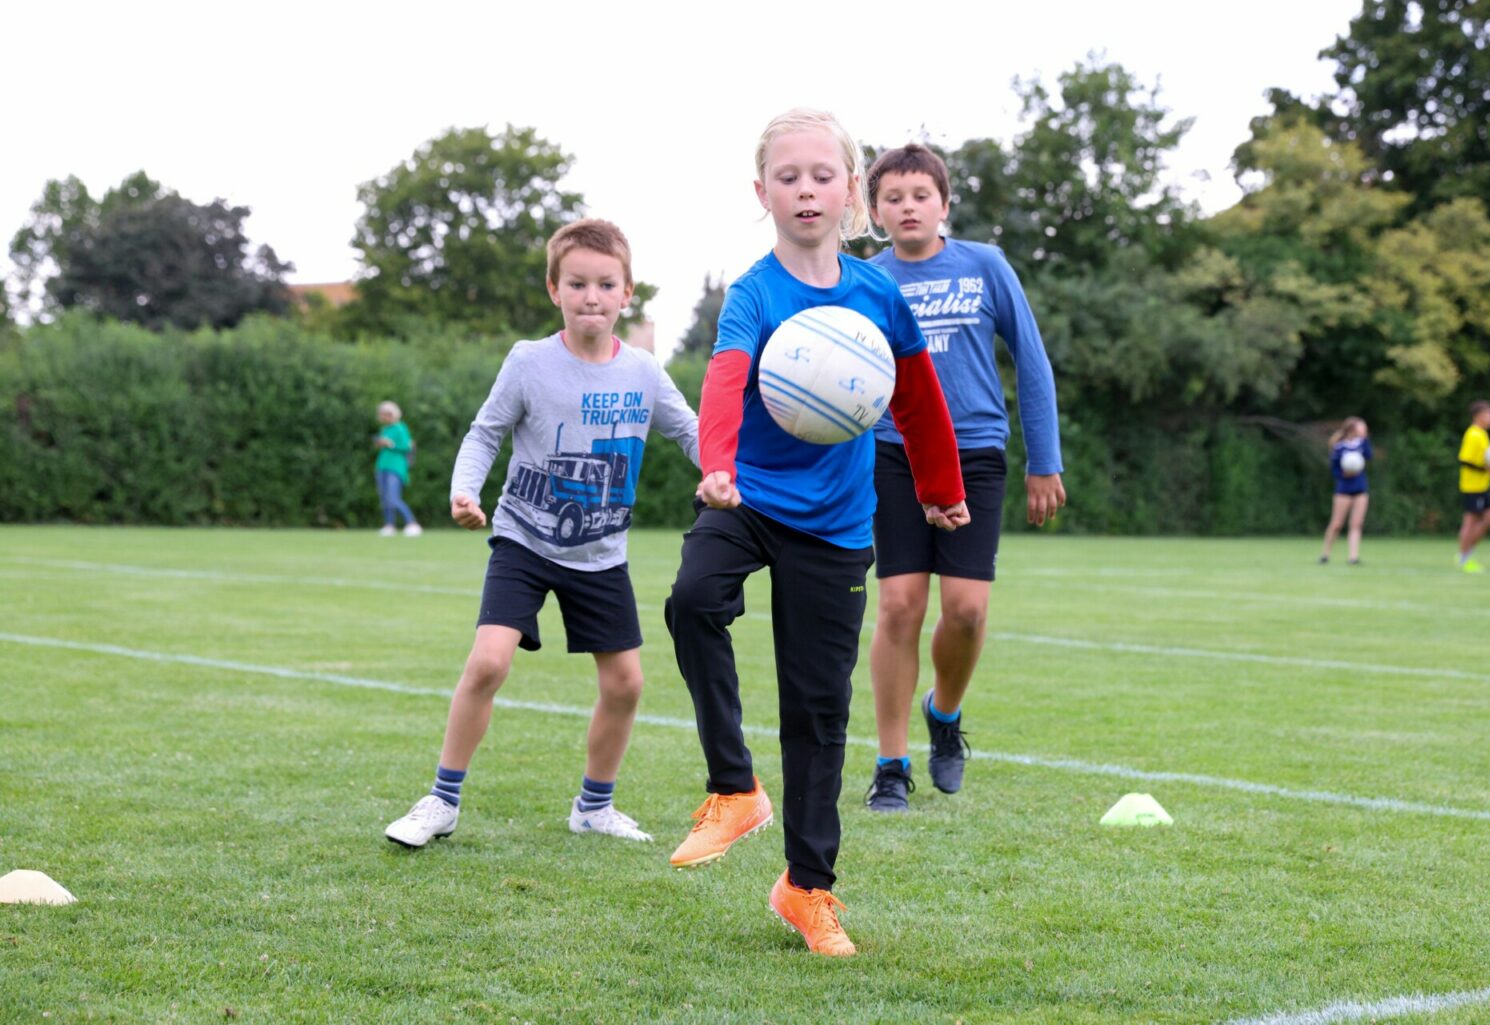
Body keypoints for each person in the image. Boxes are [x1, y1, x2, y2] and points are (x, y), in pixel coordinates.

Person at [663, 110, 967, 956]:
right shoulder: (755, 291)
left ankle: (808, 889)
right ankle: (734, 788)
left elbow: (918, 399)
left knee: (818, 710)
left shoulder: (878, 294)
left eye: (822, 175)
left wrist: (941, 489)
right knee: (693, 600)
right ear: (761, 193)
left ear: (851, 194)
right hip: (746, 499)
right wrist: (717, 461)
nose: (805, 189)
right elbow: (725, 379)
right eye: (788, 177)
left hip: (835, 525)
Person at [384, 219, 699, 849]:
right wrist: (464, 490)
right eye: (577, 282)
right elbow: (484, 432)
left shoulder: (642, 370)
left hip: (601, 556)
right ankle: (441, 801)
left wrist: (724, 473)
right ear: (554, 288)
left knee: (627, 684)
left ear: (626, 292)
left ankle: (594, 806)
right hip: (524, 543)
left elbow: (691, 430)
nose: (591, 295)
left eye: (605, 284)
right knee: (489, 663)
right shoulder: (529, 361)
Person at [860, 143, 1065, 814]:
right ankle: (892, 764)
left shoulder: (985, 264)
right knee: (898, 606)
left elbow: (1030, 361)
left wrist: (1045, 460)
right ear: (874, 211)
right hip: (894, 453)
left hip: (974, 451)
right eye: (893, 197)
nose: (908, 206)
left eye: (921, 194)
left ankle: (943, 712)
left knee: (967, 610)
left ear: (944, 205)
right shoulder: (866, 279)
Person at [1319, 417, 1372, 566]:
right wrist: (1344, 474)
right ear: (1352, 429)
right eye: (1362, 427)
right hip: (1344, 489)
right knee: (1336, 524)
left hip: (1360, 488)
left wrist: (1365, 440)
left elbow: (1369, 456)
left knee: (1356, 524)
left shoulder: (1362, 444)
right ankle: (1325, 554)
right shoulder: (1339, 447)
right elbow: (1334, 469)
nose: (1364, 430)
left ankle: (1353, 557)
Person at [1457, 400, 1490, 573]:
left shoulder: (1482, 434)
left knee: (1489, 518)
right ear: (1478, 416)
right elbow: (1464, 460)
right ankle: (1464, 558)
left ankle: (1466, 553)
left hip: (1483, 485)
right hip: (1473, 486)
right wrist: (1486, 468)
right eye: (1489, 414)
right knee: (1471, 522)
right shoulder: (1473, 434)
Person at [374, 401, 421, 537]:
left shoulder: (400, 428)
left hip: (396, 467)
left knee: (393, 497)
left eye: (382, 414)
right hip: (382, 465)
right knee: (384, 498)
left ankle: (412, 523)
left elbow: (408, 447)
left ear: (390, 414)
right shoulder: (385, 429)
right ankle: (389, 525)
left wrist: (390, 444)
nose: (380, 417)